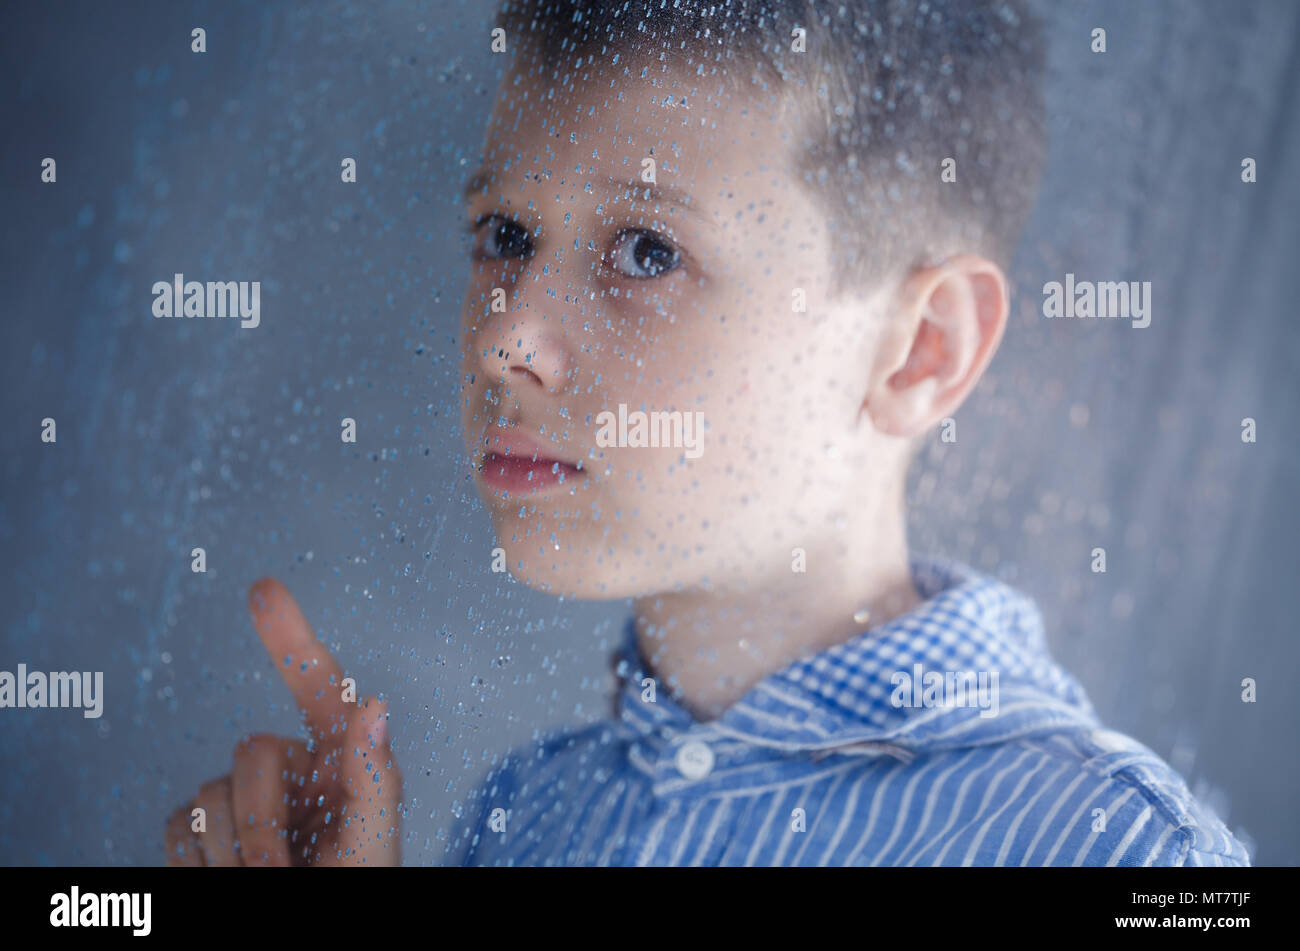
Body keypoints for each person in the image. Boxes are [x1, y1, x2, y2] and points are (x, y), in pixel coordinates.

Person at [165, 0, 1249, 866]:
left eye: (644, 251)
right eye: (505, 235)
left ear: (921, 349)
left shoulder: (1112, 855)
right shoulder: (529, 812)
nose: (506, 336)